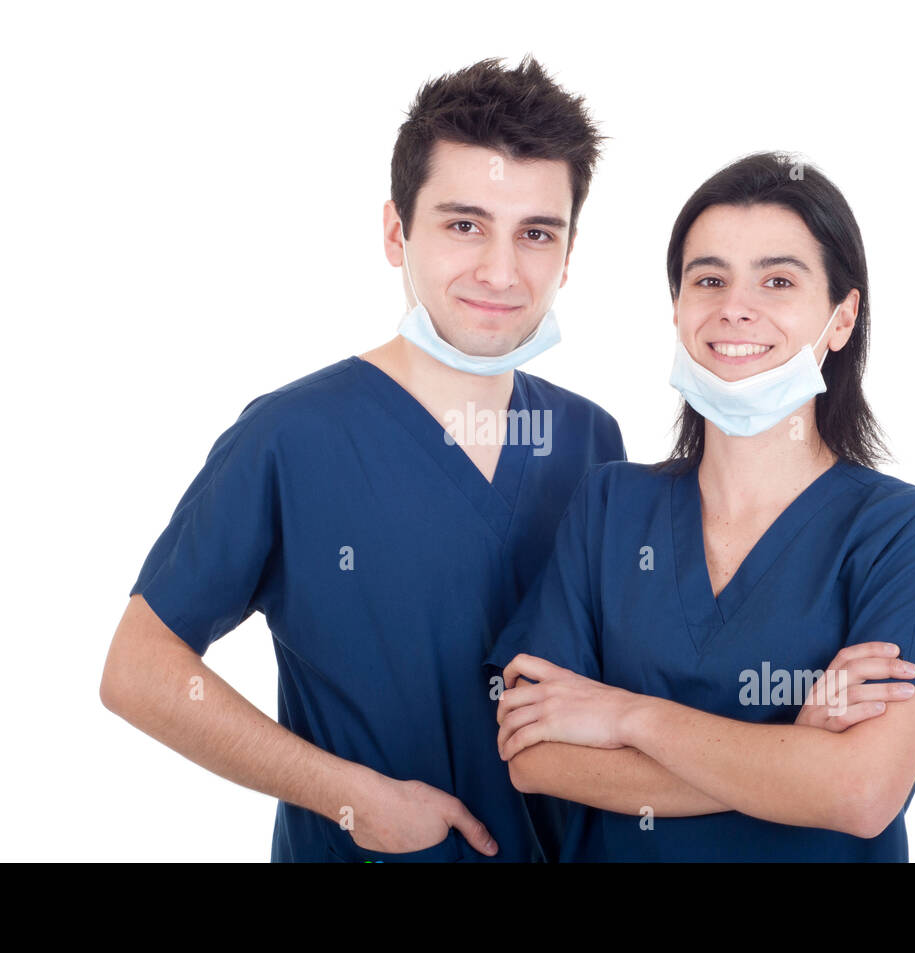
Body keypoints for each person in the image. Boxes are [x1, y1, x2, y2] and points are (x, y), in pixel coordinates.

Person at [99, 55, 626, 863]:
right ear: (395, 231)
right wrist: (350, 797)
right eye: (463, 224)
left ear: (569, 251)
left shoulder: (591, 442)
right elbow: (138, 668)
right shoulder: (292, 437)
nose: (500, 270)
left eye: (535, 233)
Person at [484, 152, 915, 862]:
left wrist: (626, 715)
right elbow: (535, 755)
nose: (734, 306)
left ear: (842, 318)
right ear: (677, 308)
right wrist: (796, 756)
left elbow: (863, 793)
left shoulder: (906, 535)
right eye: (708, 278)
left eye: (778, 280)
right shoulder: (610, 505)